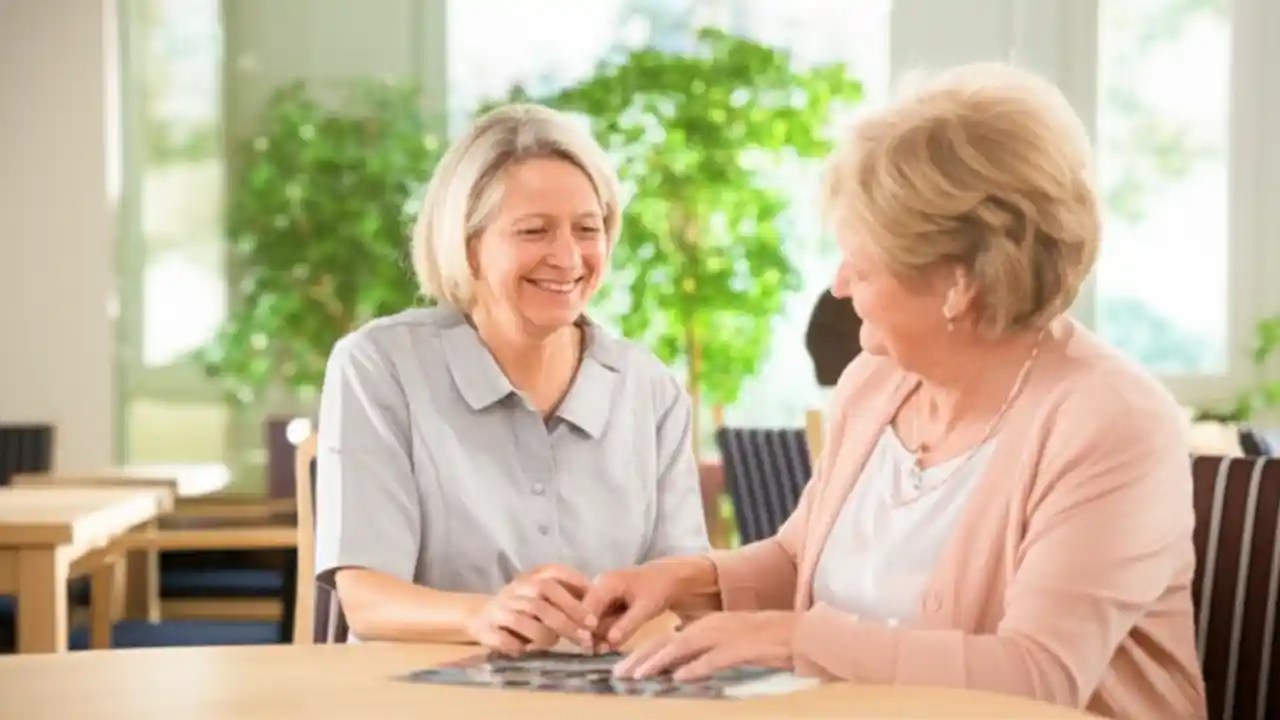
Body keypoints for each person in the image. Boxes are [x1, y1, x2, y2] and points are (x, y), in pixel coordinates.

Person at [581, 63, 1208, 719]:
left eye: (863, 262)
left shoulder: (1111, 421)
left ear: (959, 284)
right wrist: (687, 581)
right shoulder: (876, 382)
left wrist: (795, 641)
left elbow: (1037, 675)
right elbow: (802, 559)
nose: (841, 286)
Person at [313, 103, 710, 655]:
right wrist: (485, 615)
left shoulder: (650, 389)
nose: (568, 257)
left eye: (587, 229)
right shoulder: (380, 366)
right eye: (534, 231)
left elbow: (680, 598)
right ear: (468, 244)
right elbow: (366, 598)